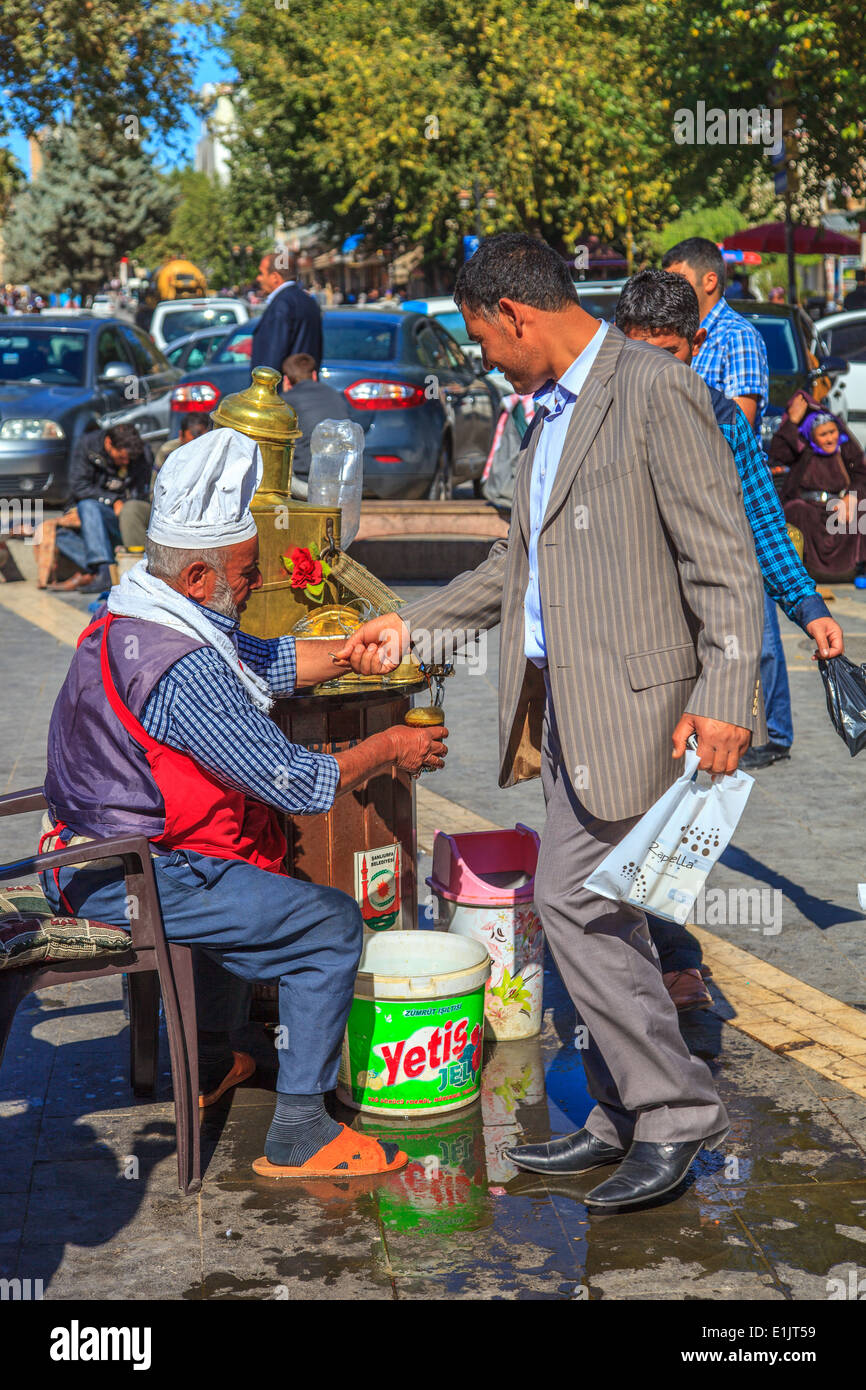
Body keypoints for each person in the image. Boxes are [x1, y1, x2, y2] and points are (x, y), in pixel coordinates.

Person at [337, 233, 765, 1211]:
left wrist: (724, 695)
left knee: (579, 906)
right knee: (586, 909)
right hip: (565, 713)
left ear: (515, 313)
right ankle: (622, 1109)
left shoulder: (654, 391)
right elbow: (511, 566)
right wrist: (416, 625)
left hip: (644, 713)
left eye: (485, 338)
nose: (485, 357)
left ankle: (670, 1112)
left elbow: (723, 559)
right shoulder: (552, 419)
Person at [38, 427, 448, 1179]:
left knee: (238, 869)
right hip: (126, 878)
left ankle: (211, 1062)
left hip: (94, 852)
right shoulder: (183, 666)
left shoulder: (136, 614)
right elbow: (297, 782)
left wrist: (355, 643)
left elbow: (269, 659)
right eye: (245, 572)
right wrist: (391, 748)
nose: (257, 583)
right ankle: (300, 1133)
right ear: (197, 576)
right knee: (327, 926)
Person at [614, 269, 843, 1010]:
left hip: (696, 648)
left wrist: (808, 607)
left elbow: (761, 530)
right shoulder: (591, 412)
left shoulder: (723, 418)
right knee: (610, 803)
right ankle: (617, 950)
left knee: (685, 802)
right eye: (643, 355)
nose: (658, 373)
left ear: (697, 346)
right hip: (607, 648)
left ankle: (675, 952)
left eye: (673, 356)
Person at [662, 238, 796, 770]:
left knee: (757, 623)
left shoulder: (736, 336)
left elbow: (736, 417)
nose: (674, 286)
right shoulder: (685, 336)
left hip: (734, 489)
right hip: (698, 491)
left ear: (708, 279)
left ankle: (772, 732)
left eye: (679, 277)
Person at [772, 392, 866, 581]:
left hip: (838, 506)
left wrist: (851, 497)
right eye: (823, 434)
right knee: (795, 510)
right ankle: (798, 572)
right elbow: (777, 454)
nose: (830, 438)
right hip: (809, 508)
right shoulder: (803, 451)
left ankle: (857, 569)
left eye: (833, 432)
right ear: (812, 436)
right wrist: (792, 421)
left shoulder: (844, 448)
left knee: (862, 509)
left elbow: (861, 474)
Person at [51, 423, 153, 593]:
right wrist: (112, 500)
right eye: (121, 458)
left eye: (129, 459)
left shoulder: (142, 453)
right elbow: (79, 486)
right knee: (59, 533)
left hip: (124, 522)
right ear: (108, 443)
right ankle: (104, 568)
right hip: (95, 516)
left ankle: (103, 570)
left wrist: (123, 504)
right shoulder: (86, 446)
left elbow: (142, 493)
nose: (125, 462)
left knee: (89, 506)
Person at [251, 253, 323, 373]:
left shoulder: (281, 304)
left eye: (261, 273)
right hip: (305, 384)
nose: (259, 278)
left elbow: (273, 354)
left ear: (275, 277)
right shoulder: (309, 301)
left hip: (283, 387)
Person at [280, 352, 349, 478]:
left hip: (306, 478)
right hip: (341, 475)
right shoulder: (335, 395)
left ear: (286, 380)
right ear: (314, 375)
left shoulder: (285, 401)